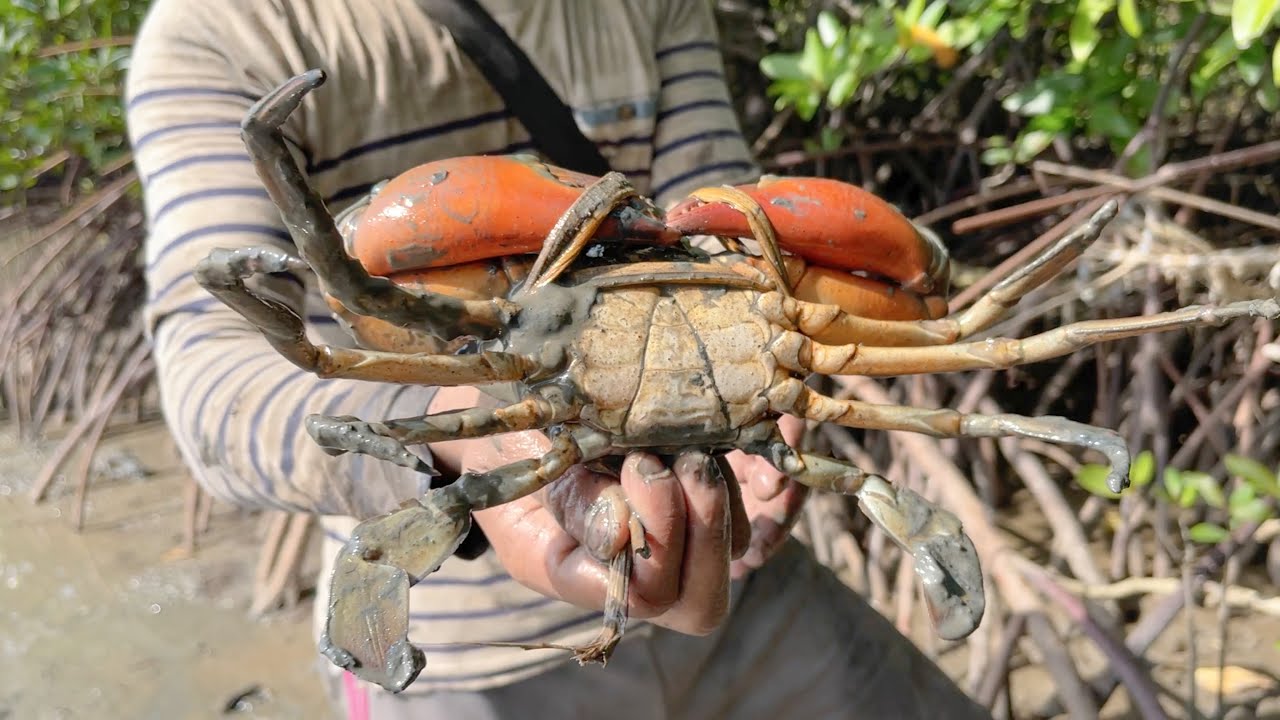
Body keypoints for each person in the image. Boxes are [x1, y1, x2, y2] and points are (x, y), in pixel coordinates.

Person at [125, 1, 992, 718]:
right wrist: (451, 443)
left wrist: (770, 393)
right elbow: (214, 374)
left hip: (742, 573)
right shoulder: (234, 28)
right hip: (465, 649)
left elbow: (733, 237)